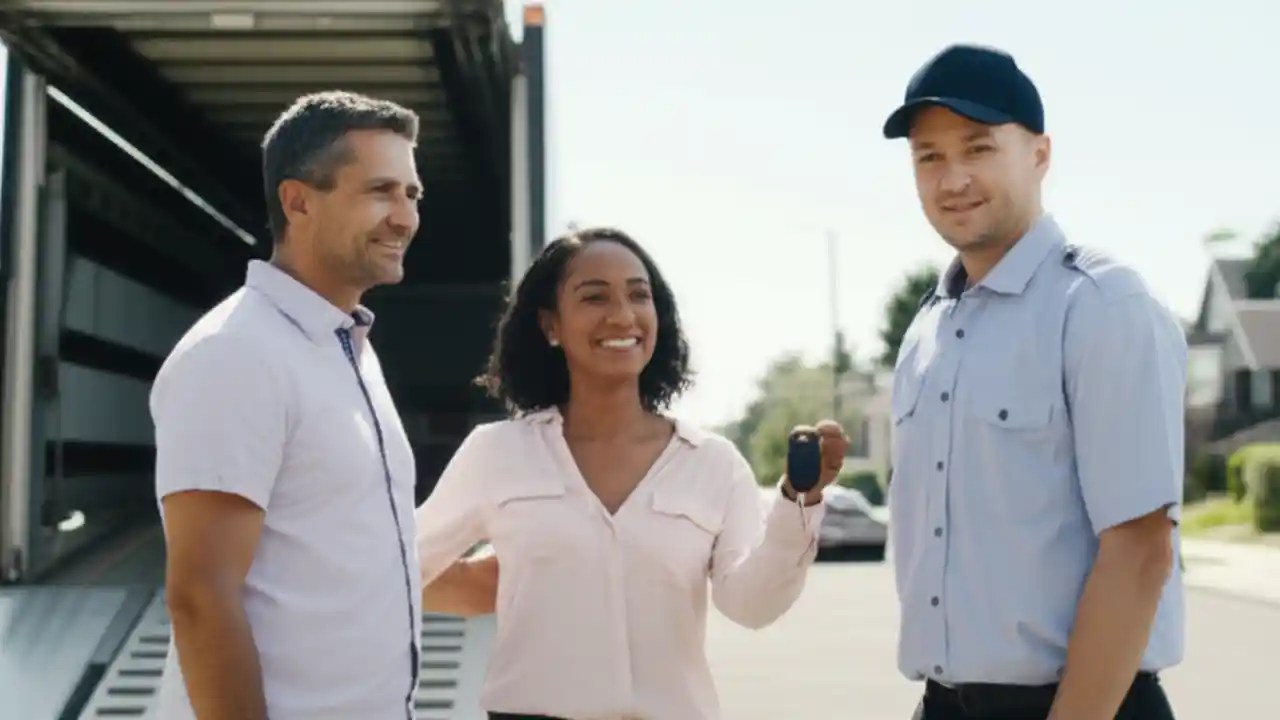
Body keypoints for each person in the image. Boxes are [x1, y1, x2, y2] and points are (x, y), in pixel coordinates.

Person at [413, 226, 848, 720]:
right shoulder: (497, 453)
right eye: (594, 296)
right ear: (551, 326)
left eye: (639, 296)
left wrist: (799, 501)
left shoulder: (712, 463)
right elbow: (399, 566)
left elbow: (751, 605)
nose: (621, 315)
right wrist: (491, 584)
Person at [150, 90, 488, 720]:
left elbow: (357, 558)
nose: (406, 217)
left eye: (413, 195)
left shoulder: (348, 349)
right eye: (381, 191)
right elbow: (200, 597)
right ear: (298, 199)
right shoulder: (235, 354)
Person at [879, 44, 1186, 720]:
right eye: (929, 156)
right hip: (942, 704)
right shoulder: (924, 333)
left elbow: (1139, 550)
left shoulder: (1101, 305)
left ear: (1040, 154)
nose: (952, 177)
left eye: (978, 147)